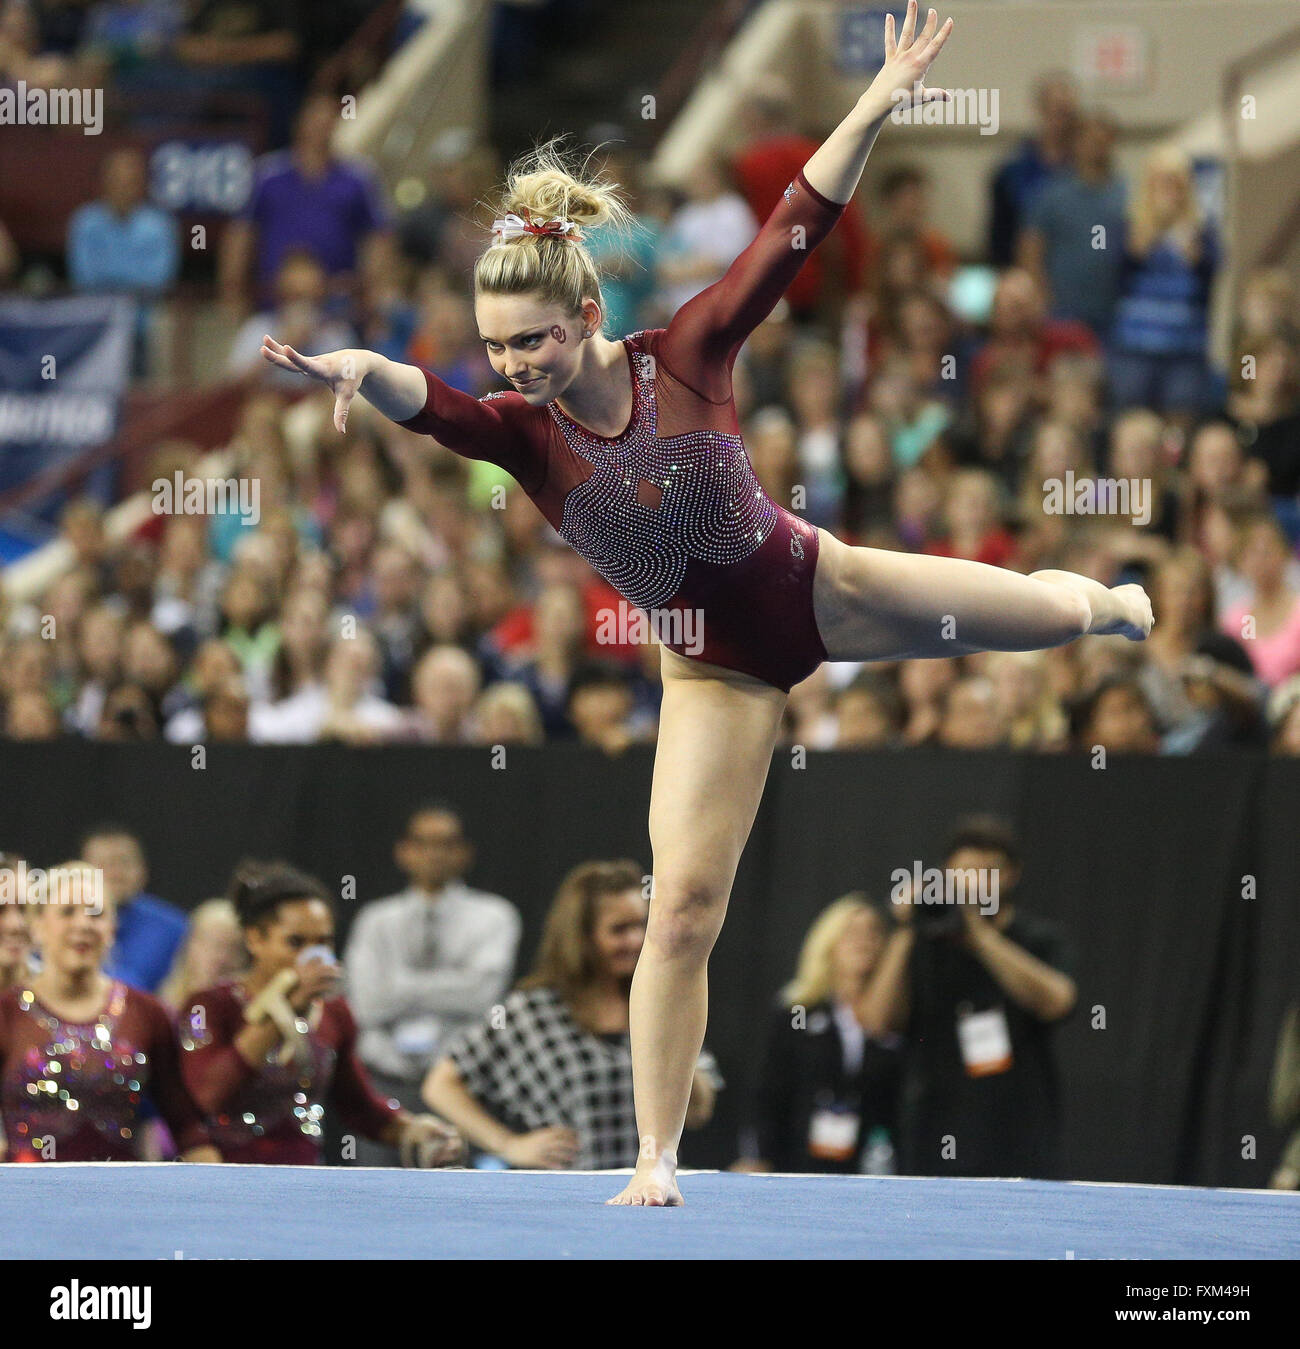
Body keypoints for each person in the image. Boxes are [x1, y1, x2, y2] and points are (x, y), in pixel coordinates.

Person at [262, 1, 1152, 1206]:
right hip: (712, 671)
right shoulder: (521, 436)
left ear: (584, 316)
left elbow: (791, 230)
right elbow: (432, 404)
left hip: (823, 591)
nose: (513, 365)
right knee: (677, 904)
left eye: (530, 340)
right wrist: (363, 370)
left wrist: (878, 99)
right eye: (496, 346)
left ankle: (1107, 603)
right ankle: (657, 1152)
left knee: (1054, 621)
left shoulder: (684, 353)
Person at [422, 859, 718, 1170]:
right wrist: (508, 1144)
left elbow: (699, 1111)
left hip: (653, 1195)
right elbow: (440, 1085)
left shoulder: (660, 1005)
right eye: (619, 929)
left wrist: (668, 1030)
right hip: (567, 1199)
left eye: (641, 925)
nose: (635, 940)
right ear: (581, 936)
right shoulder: (533, 1012)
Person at [179, 860, 461, 1167]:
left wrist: (414, 1129)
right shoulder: (209, 1006)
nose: (314, 956)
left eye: (324, 942)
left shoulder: (333, 1012)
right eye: (296, 943)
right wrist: (284, 1011)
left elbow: (358, 1105)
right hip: (221, 1177)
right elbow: (203, 1094)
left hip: (304, 1180)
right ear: (255, 939)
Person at [860, 816, 1077, 1179]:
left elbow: (1059, 1001)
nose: (973, 884)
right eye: (962, 873)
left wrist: (979, 936)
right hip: (932, 1127)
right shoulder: (926, 940)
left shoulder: (1038, 937)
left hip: (1017, 1128)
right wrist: (905, 929)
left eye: (985, 872)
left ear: (1011, 875)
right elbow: (876, 1021)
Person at [0, 862, 218, 1163]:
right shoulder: (8, 1013)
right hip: (23, 1202)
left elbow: (187, 1128)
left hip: (115, 1201)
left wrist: (216, 1196)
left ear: (112, 928)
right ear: (36, 926)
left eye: (96, 913)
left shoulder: (146, 1013)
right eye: (67, 912)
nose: (84, 924)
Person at [344, 803, 521, 1165]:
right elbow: (367, 1004)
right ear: (403, 851)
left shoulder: (495, 916)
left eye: (446, 843)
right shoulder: (375, 920)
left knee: (460, 1198)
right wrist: (450, 986)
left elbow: (481, 996)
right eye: (423, 843)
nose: (434, 853)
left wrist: (401, 985)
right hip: (386, 1084)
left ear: (465, 852)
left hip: (460, 1085)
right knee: (376, 1197)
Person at [737, 895, 902, 1174]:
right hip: (799, 1162)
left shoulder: (897, 1016)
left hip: (875, 1165)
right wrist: (757, 1156)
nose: (864, 941)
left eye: (873, 932)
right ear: (828, 944)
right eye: (852, 932)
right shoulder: (797, 1012)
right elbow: (767, 1093)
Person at [81, 825, 188, 994]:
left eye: (124, 863)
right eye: (104, 864)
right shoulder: (62, 925)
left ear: (143, 870)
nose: (115, 873)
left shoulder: (175, 929)